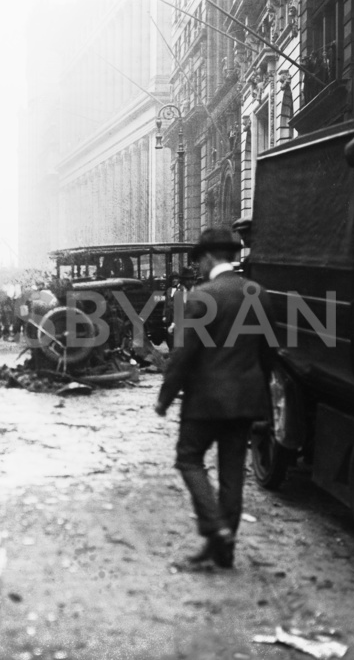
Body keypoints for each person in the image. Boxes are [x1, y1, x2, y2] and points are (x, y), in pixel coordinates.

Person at [154, 228, 274, 569]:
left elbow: (183, 355)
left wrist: (165, 398)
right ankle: (224, 549)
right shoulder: (259, 294)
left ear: (208, 258)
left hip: (206, 401)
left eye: (200, 261)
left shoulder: (203, 296)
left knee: (189, 459)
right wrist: (262, 397)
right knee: (232, 470)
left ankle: (215, 527)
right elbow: (268, 353)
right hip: (245, 400)